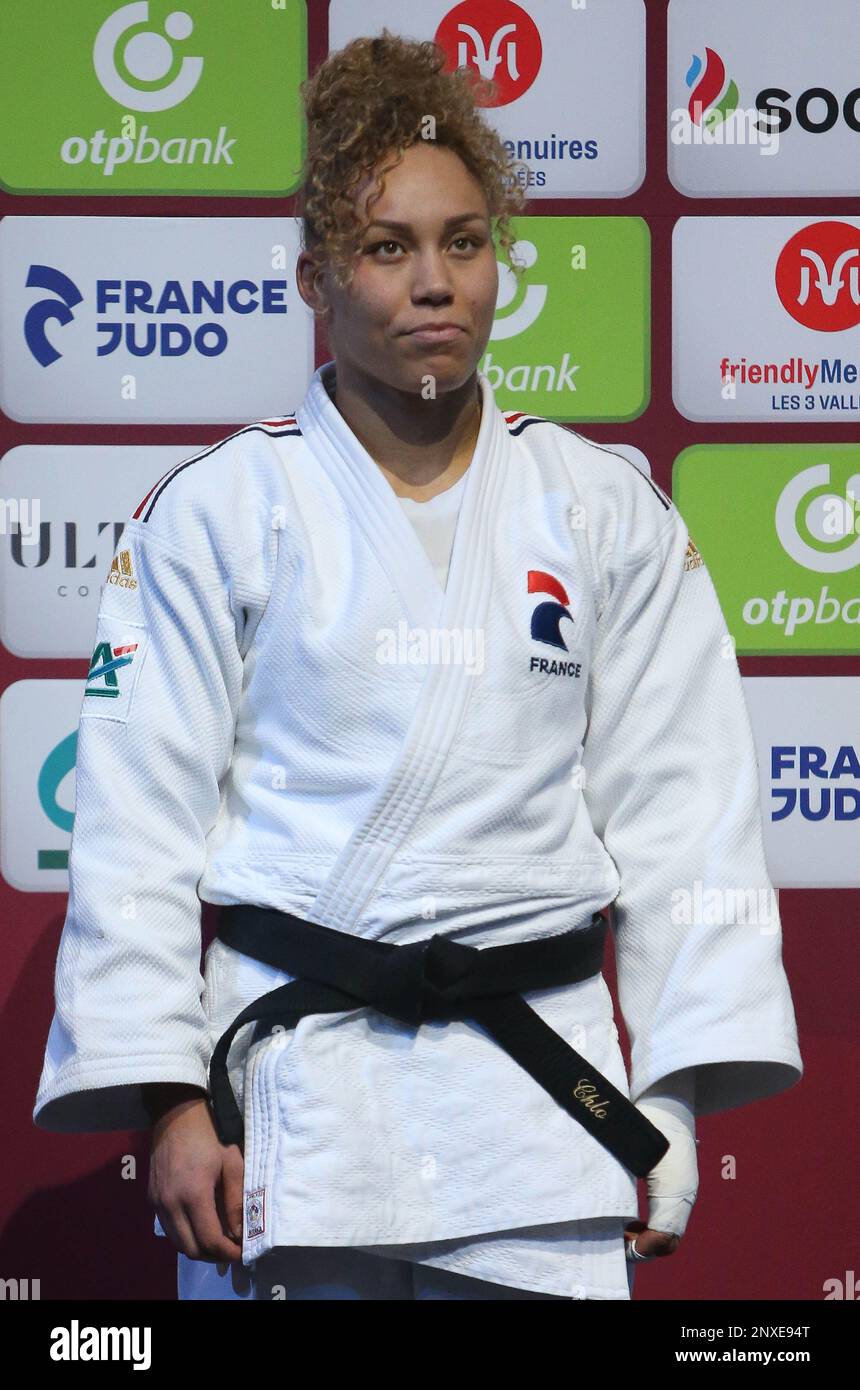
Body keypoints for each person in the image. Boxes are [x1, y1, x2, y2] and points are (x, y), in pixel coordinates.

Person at [33, 32, 802, 1302]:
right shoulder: (222, 511)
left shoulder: (602, 509)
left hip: (539, 1104)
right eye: (388, 248)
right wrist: (168, 1102)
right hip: (291, 1101)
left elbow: (686, 815)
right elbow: (136, 826)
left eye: (463, 241)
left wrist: (665, 1097)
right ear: (314, 278)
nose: (435, 281)